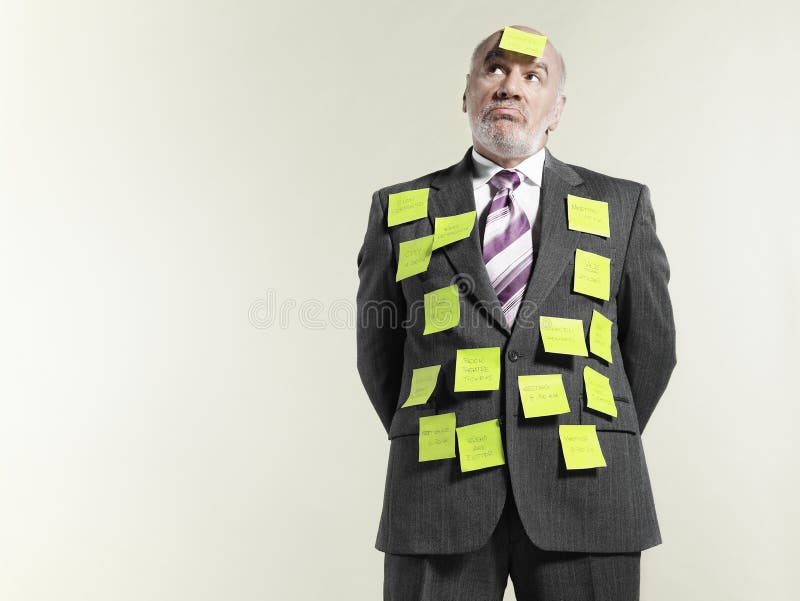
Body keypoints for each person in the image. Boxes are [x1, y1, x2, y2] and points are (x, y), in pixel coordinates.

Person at [356, 24, 676, 601]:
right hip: (437, 493)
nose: (510, 85)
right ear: (467, 93)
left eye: (533, 75)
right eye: (495, 69)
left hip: (586, 490)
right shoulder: (399, 208)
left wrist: (591, 428)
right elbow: (378, 355)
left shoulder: (621, 205)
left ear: (557, 108)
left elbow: (651, 348)